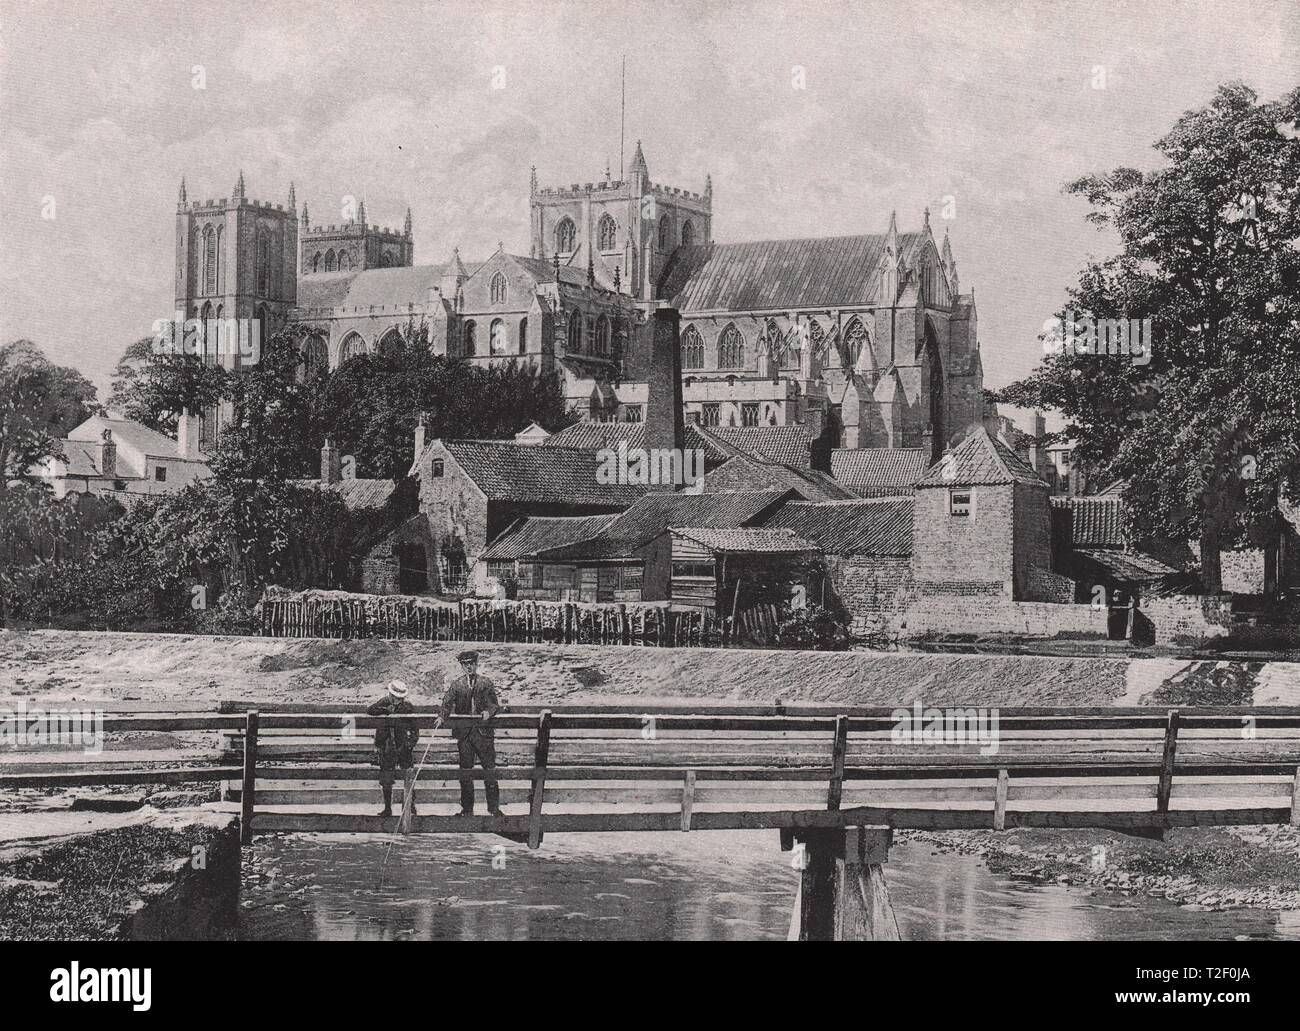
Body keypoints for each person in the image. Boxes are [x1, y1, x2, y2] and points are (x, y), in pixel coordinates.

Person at [436, 650, 503, 817]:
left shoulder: (485, 683)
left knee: (490, 770)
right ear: (462, 666)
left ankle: (494, 809)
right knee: (465, 772)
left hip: (483, 734)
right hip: (464, 735)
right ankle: (467, 810)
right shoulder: (457, 685)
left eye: (472, 663)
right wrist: (441, 717)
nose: (469, 667)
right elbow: (447, 703)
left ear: (476, 664)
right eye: (466, 664)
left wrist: (489, 712)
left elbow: (494, 704)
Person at [367, 679, 419, 818]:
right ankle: (387, 808)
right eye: (393, 697)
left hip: (403, 746)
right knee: (386, 778)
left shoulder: (408, 707)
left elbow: (415, 730)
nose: (395, 700)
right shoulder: (383, 702)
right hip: (387, 746)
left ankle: (410, 806)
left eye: (398, 698)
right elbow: (370, 710)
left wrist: (409, 745)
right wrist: (384, 710)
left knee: (408, 776)